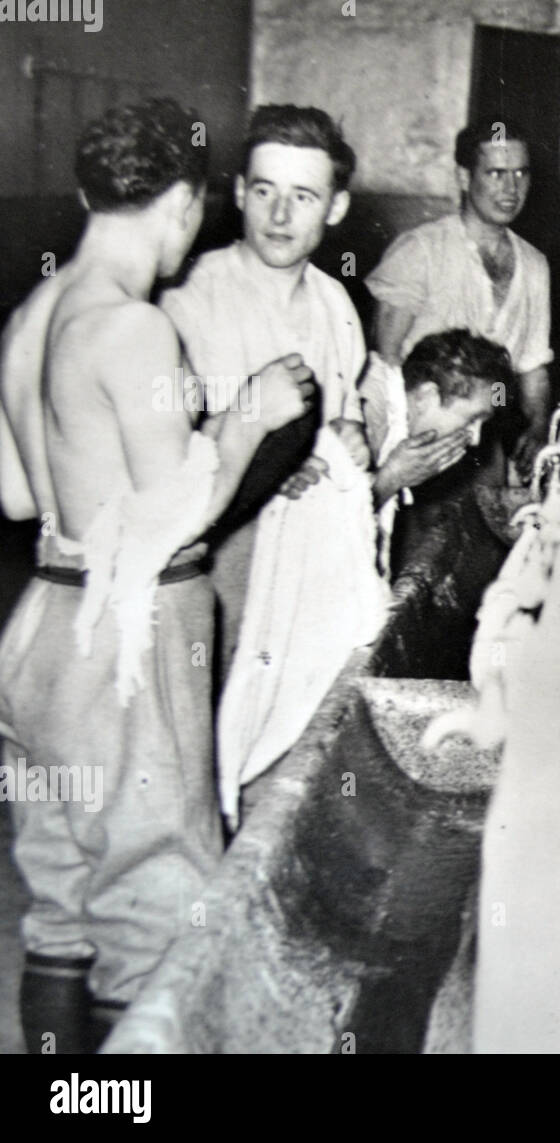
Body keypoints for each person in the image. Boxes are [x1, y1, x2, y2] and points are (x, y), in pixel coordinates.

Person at [0, 98, 311, 1051]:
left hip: (43, 632)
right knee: (156, 910)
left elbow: (17, 497)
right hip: (129, 646)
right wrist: (249, 418)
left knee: (61, 906)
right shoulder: (136, 330)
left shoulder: (33, 316)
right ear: (184, 201)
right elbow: (175, 513)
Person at [161, 105, 389, 827]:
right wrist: (261, 463)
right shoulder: (190, 297)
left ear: (337, 206)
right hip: (218, 562)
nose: (280, 214)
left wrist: (354, 437)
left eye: (304, 196)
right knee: (203, 743)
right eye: (263, 190)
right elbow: (164, 460)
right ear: (237, 190)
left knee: (292, 733)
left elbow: (348, 410)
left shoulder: (335, 304)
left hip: (307, 570)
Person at [366, 118, 552, 482]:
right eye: (496, 173)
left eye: (520, 174)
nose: (511, 188)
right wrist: (391, 460)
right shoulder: (419, 251)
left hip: (485, 448)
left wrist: (540, 426)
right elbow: (384, 364)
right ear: (465, 178)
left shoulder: (535, 264)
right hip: (417, 451)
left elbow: (533, 365)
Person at [359, 327, 515, 575]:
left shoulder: (490, 382)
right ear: (427, 395)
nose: (474, 439)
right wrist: (391, 479)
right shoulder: (367, 412)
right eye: (472, 420)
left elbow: (503, 390)